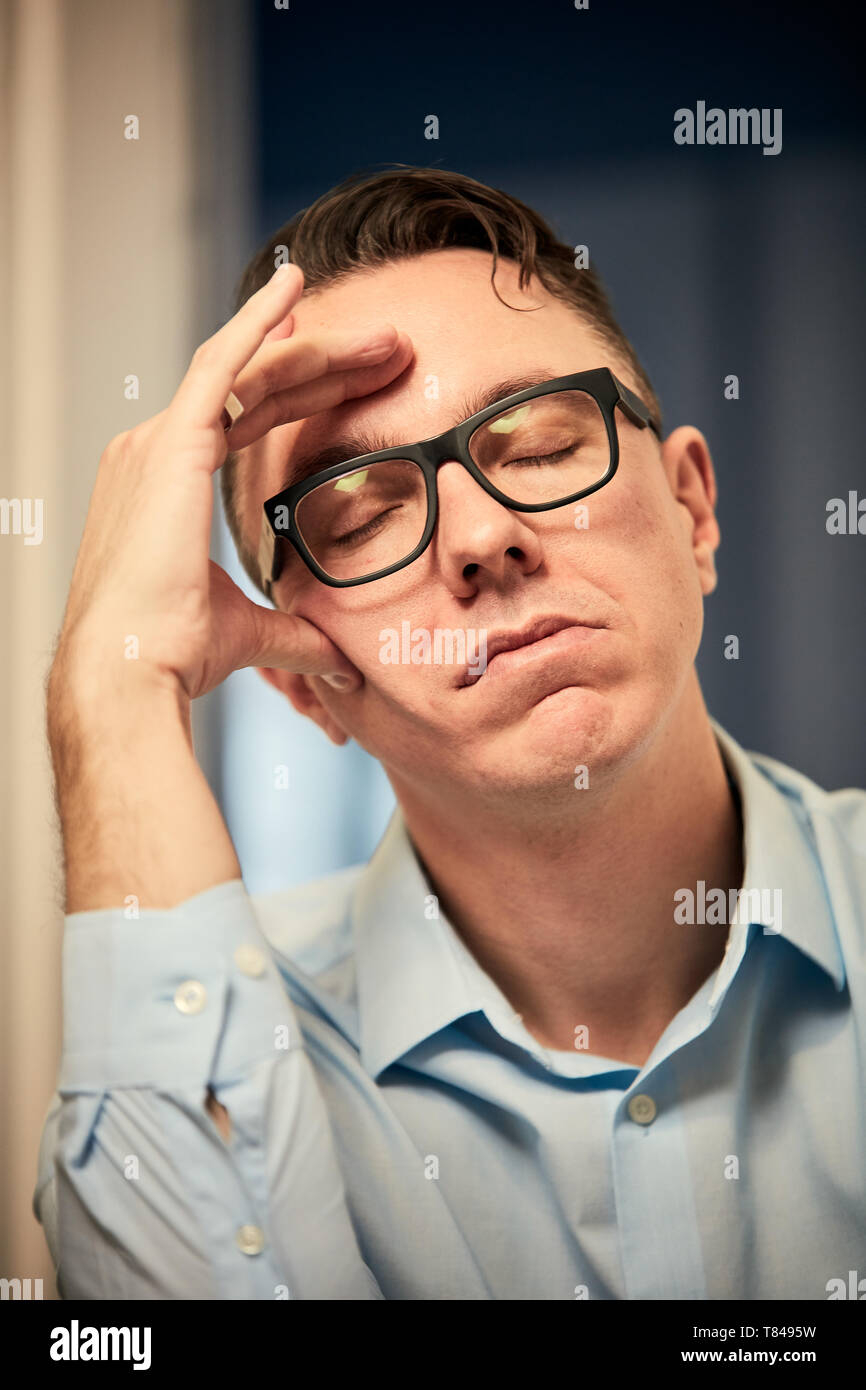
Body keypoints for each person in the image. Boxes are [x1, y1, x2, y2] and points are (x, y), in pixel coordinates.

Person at [34, 168, 866, 1300]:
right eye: (360, 515)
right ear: (303, 689)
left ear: (690, 513)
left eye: (533, 445)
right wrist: (107, 693)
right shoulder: (218, 1064)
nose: (481, 534)